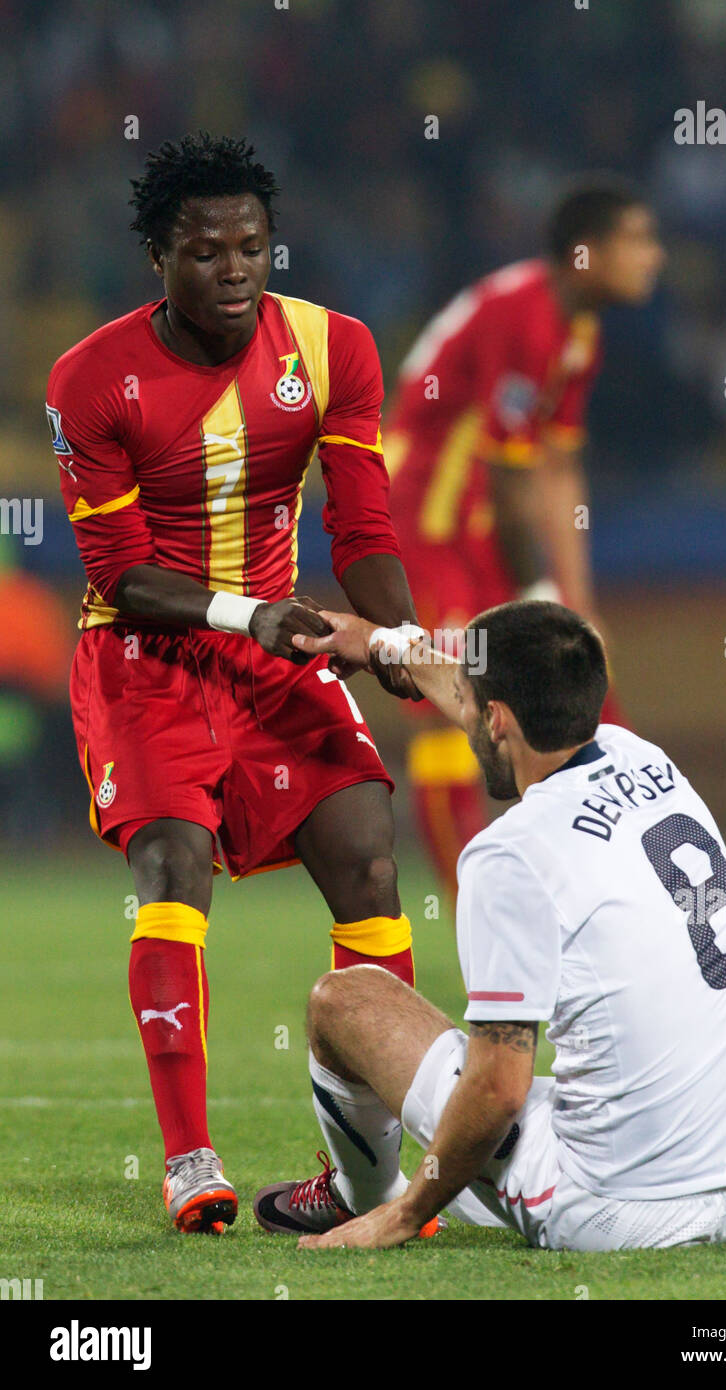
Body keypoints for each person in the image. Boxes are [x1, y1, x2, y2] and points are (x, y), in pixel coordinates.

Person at [45, 132, 426, 1235]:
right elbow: (119, 575)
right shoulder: (90, 379)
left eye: (251, 246)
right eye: (205, 250)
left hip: (276, 653)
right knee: (172, 860)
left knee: (366, 854)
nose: (234, 270)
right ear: (157, 255)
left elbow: (360, 525)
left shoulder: (334, 346)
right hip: (143, 659)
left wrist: (396, 637)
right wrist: (248, 613)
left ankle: (362, 1178)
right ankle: (188, 1159)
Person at [253, 603, 726, 1251]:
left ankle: (366, 1199)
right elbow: (485, 691)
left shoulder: (510, 854)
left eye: (474, 708)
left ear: (497, 719)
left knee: (346, 1001)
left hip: (631, 1210)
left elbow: (500, 1088)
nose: (466, 716)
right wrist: (385, 645)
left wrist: (408, 1215)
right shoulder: (644, 757)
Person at [383, 177, 665, 893]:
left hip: (480, 524)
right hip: (426, 519)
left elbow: (556, 470)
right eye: (636, 240)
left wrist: (577, 603)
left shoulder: (578, 332)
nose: (653, 257)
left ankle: (629, 888)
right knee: (448, 704)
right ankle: (481, 917)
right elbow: (513, 481)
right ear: (584, 254)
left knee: (585, 684)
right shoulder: (527, 318)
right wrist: (544, 592)